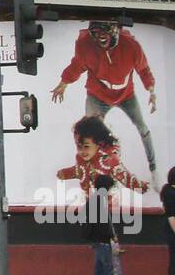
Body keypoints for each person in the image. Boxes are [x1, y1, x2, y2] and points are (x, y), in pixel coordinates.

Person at [50, 21, 159, 180]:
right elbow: (77, 65)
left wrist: (151, 90)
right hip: (98, 95)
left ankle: (154, 168)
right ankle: (90, 170)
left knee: (142, 127)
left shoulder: (131, 45)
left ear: (114, 31)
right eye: (95, 34)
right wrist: (63, 84)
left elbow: (143, 69)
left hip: (126, 95)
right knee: (87, 132)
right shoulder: (85, 44)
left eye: (104, 33)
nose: (100, 38)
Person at [57, 115, 151, 199]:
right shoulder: (81, 159)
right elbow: (79, 171)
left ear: (99, 143)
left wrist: (138, 186)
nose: (82, 151)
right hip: (90, 202)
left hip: (109, 205)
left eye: (86, 146)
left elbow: (124, 176)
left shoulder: (109, 161)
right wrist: (65, 173)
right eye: (78, 146)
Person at [83, 174, 122, 275]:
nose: (111, 190)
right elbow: (102, 223)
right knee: (108, 266)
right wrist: (112, 235)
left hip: (95, 239)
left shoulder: (94, 199)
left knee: (99, 267)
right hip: (102, 239)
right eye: (110, 187)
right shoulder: (99, 201)